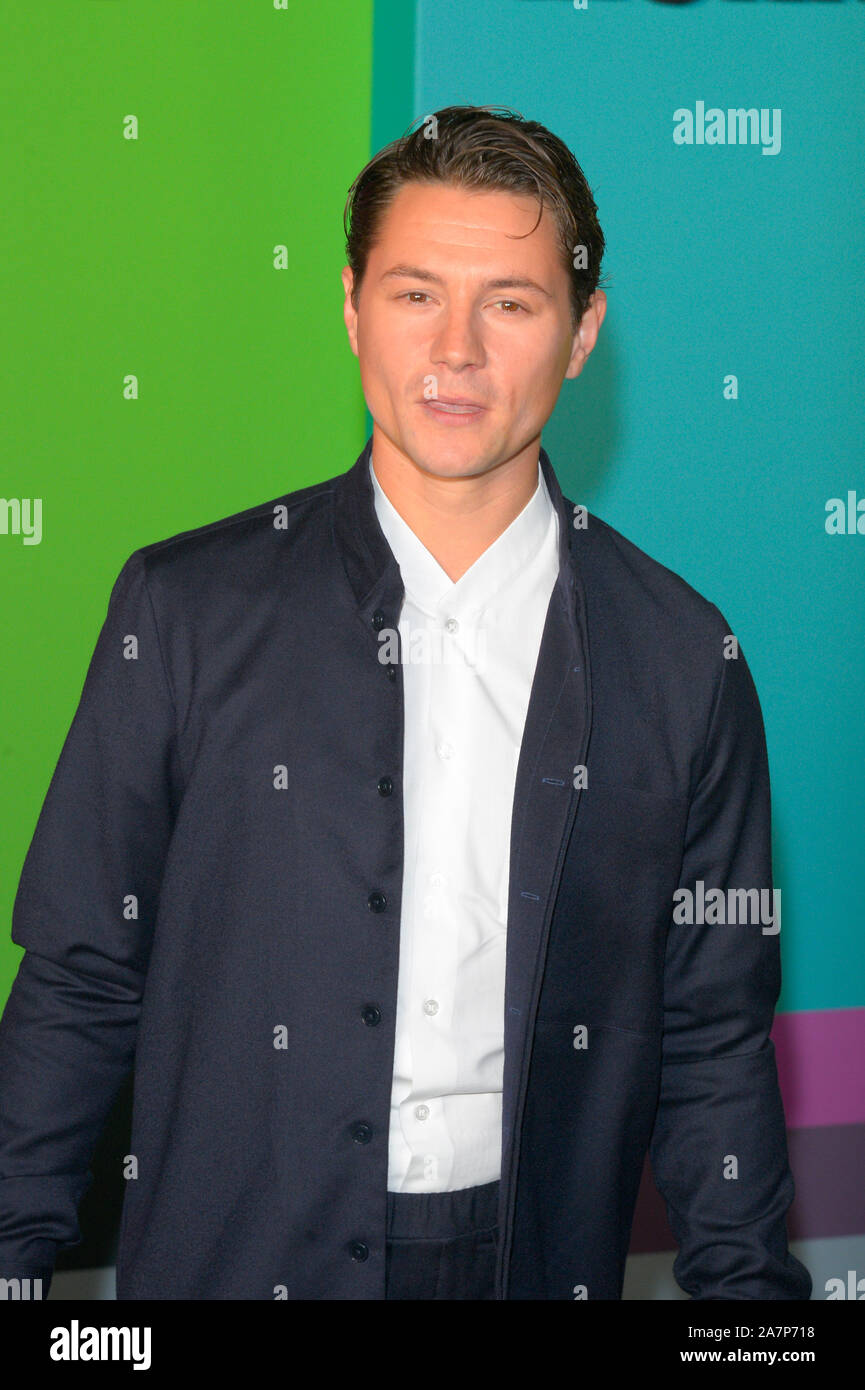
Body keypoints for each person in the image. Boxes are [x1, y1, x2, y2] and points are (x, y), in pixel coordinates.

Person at [0, 104, 811, 1301]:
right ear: (349, 307)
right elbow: (79, 978)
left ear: (582, 333)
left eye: (513, 303)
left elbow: (712, 1036)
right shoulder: (183, 610)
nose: (458, 350)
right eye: (416, 293)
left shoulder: (685, 658)